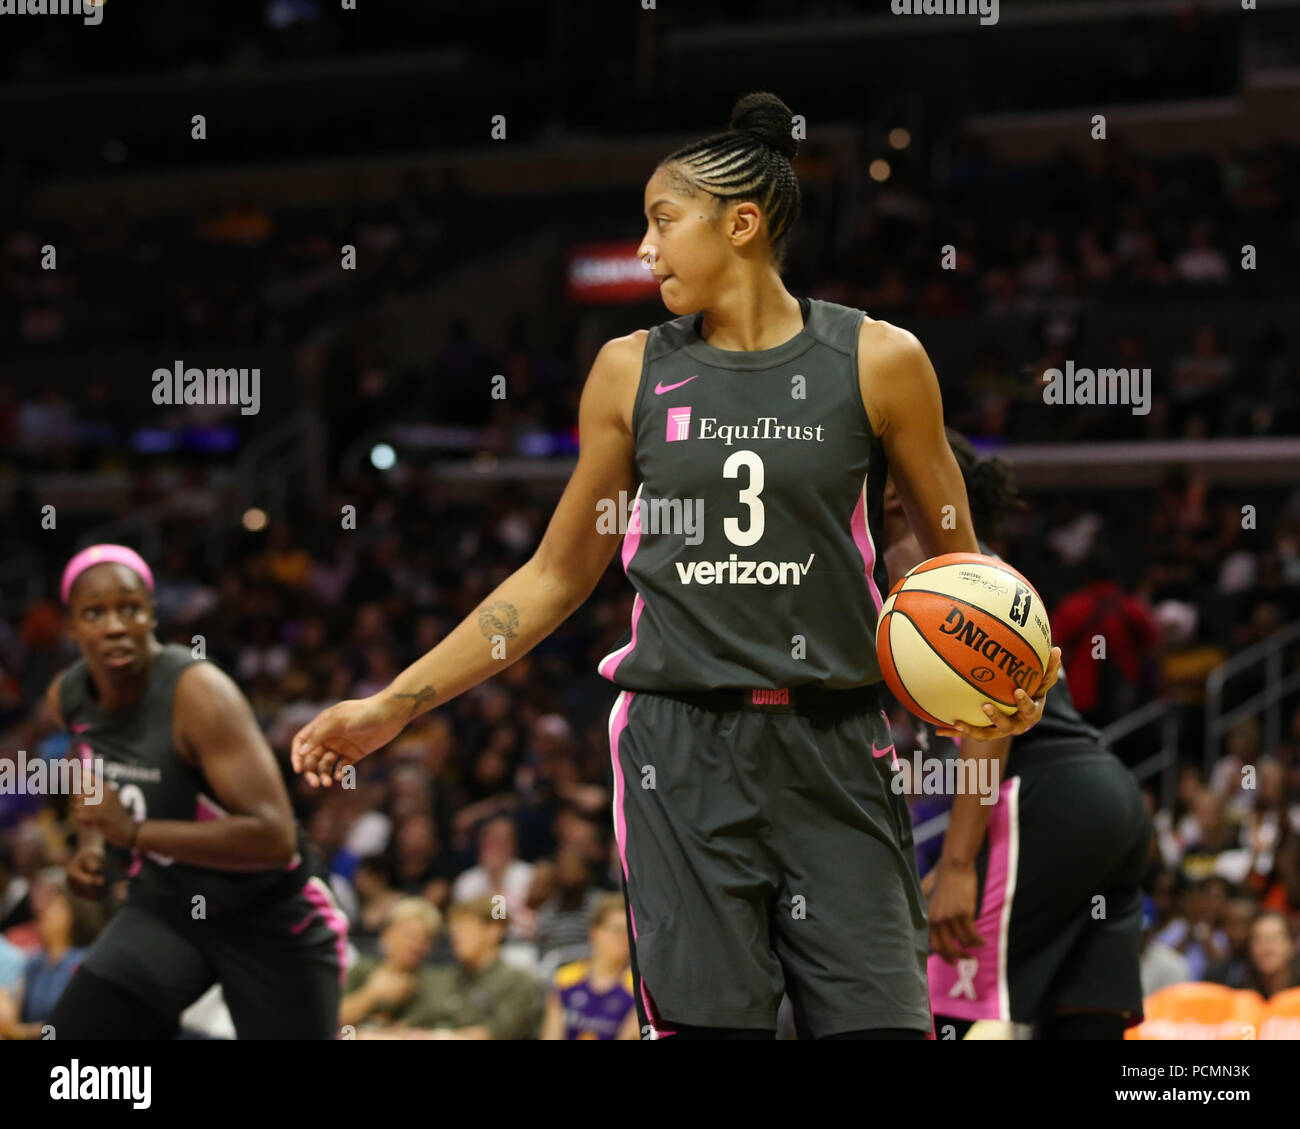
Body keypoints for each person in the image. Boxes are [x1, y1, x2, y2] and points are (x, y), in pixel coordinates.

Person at [292, 91, 1060, 1041]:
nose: (646, 249)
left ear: (741, 225)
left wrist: (1010, 680)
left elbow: (966, 578)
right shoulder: (627, 369)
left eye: (661, 221)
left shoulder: (881, 358)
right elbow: (552, 577)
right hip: (679, 749)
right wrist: (394, 705)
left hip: (839, 743)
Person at [882, 431, 1151, 1039]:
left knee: (942, 993)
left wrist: (956, 864)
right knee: (1084, 1017)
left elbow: (990, 722)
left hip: (1041, 797)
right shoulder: (988, 568)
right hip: (1110, 801)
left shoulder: (920, 566)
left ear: (899, 490)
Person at [40, 544, 348, 1039]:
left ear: (152, 615)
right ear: (71, 626)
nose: (115, 625)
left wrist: (135, 832)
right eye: (94, 613)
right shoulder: (69, 694)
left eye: (129, 608)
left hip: (268, 915)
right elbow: (91, 774)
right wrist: (92, 846)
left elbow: (274, 838)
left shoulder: (198, 693)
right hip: (167, 907)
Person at [540, 893, 638, 1040]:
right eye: (617, 930)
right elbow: (551, 1035)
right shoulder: (565, 978)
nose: (623, 938)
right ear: (595, 931)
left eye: (628, 933)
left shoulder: (637, 989)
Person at [340, 897, 443, 1032]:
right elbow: (337, 1019)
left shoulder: (433, 981)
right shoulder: (362, 969)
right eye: (409, 935)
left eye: (424, 938)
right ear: (387, 935)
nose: (415, 945)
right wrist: (372, 994)